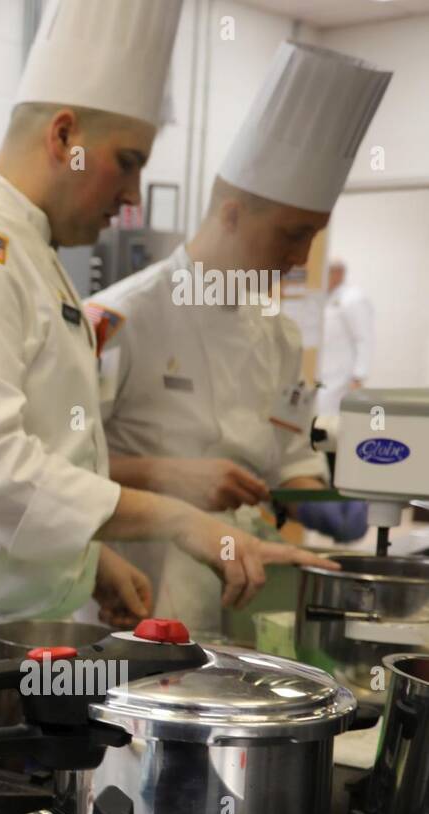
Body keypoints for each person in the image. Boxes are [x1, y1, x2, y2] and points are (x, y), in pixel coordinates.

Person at [0, 0, 338, 670]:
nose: (134, 196)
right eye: (127, 162)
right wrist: (180, 516)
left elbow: (44, 459)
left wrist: (91, 560)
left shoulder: (33, 260)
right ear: (64, 136)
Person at [90, 41, 388, 630]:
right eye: (290, 234)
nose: (301, 257)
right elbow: (55, 471)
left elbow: (290, 457)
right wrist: (169, 474)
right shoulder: (121, 318)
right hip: (135, 601)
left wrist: (330, 499)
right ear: (229, 213)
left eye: (313, 236)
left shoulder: (277, 335)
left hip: (248, 596)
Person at [316, 259, 377, 417]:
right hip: (322, 373)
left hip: (342, 377)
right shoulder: (322, 298)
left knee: (331, 423)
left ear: (338, 274)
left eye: (325, 273)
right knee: (318, 419)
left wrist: (359, 376)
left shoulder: (354, 298)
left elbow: (364, 339)